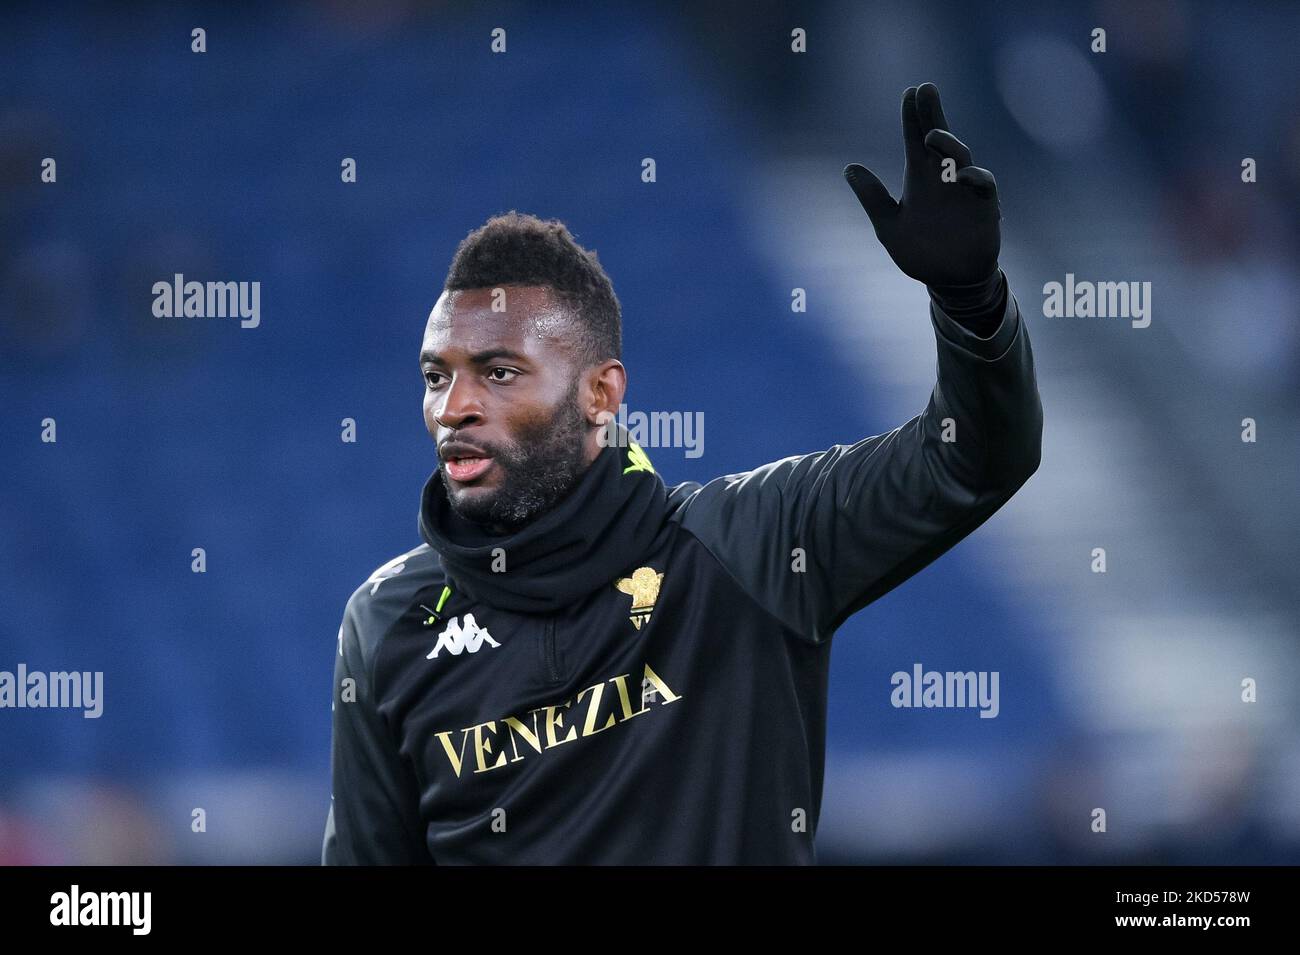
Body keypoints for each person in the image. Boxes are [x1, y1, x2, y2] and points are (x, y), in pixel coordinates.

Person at [322, 83, 1042, 864]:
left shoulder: (751, 544)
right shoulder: (388, 622)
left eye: (497, 373)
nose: (453, 406)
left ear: (600, 393)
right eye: (436, 376)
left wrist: (971, 305)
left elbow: (973, 455)